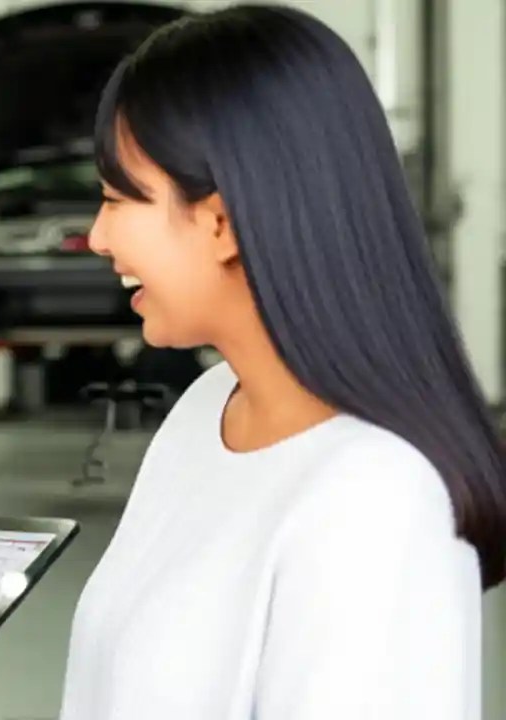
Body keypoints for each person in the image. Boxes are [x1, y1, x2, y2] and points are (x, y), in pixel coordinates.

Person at [61, 5, 506, 720]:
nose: (100, 236)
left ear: (222, 219)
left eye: (118, 199)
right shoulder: (208, 408)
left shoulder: (377, 500)